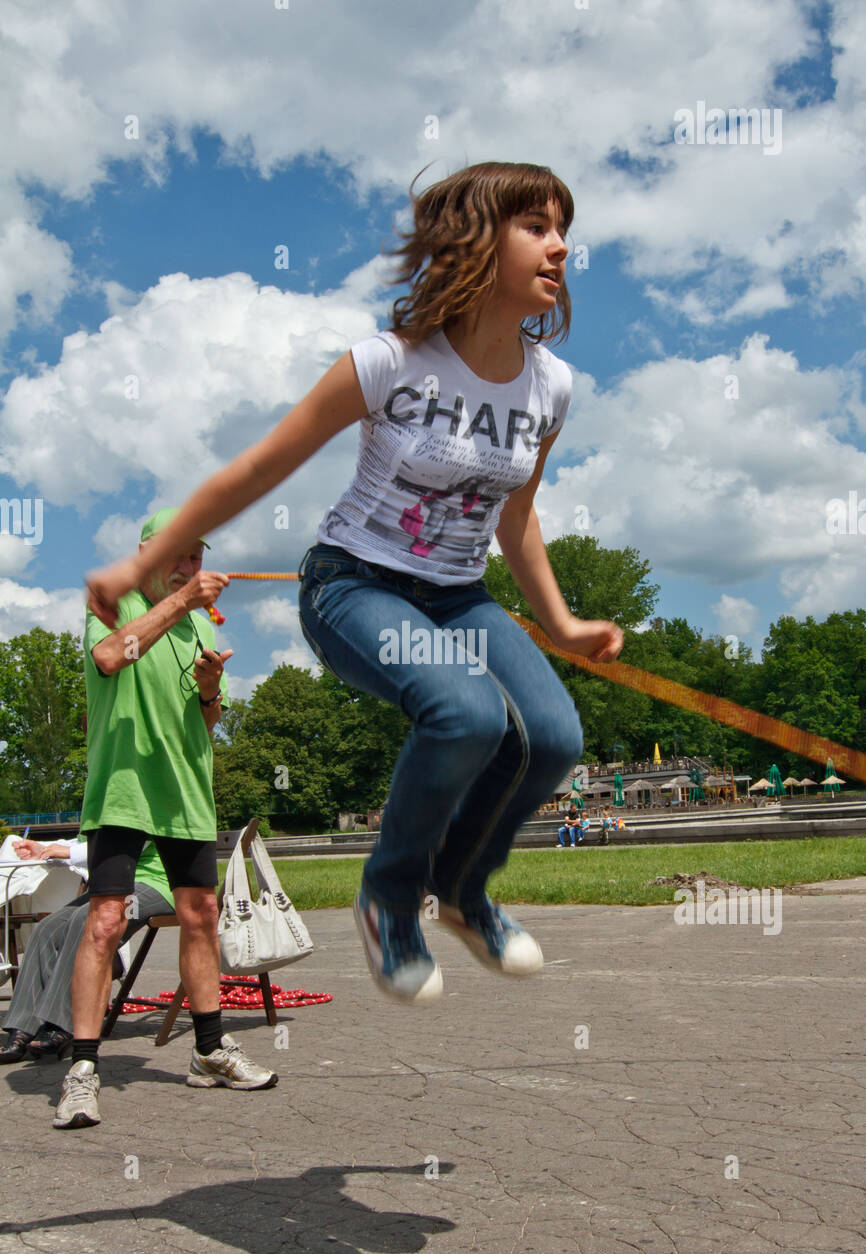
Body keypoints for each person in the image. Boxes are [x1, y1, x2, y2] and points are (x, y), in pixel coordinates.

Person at [83, 162, 624, 1007]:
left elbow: (516, 513)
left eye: (563, 226)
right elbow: (259, 467)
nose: (561, 245)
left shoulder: (548, 386)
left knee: (552, 736)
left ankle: (466, 893)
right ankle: (388, 899)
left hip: (459, 596)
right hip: (356, 587)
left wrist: (561, 622)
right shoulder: (390, 364)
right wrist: (142, 567)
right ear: (477, 243)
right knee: (467, 712)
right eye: (536, 226)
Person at [55, 511, 276, 1131]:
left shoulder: (201, 623)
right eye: (179, 555)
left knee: (200, 915)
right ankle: (81, 1070)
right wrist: (181, 601)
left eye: (196, 556)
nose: (191, 566)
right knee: (105, 921)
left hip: (185, 792)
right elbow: (108, 656)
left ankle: (209, 1052)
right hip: (123, 789)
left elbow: (206, 723)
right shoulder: (116, 603)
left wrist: (209, 689)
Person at [0, 836, 173, 1063]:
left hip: (154, 884)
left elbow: (124, 844)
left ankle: (64, 1023)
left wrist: (63, 852)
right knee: (47, 929)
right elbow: (84, 843)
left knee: (85, 920)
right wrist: (45, 850)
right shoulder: (94, 802)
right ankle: (23, 1027)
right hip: (111, 886)